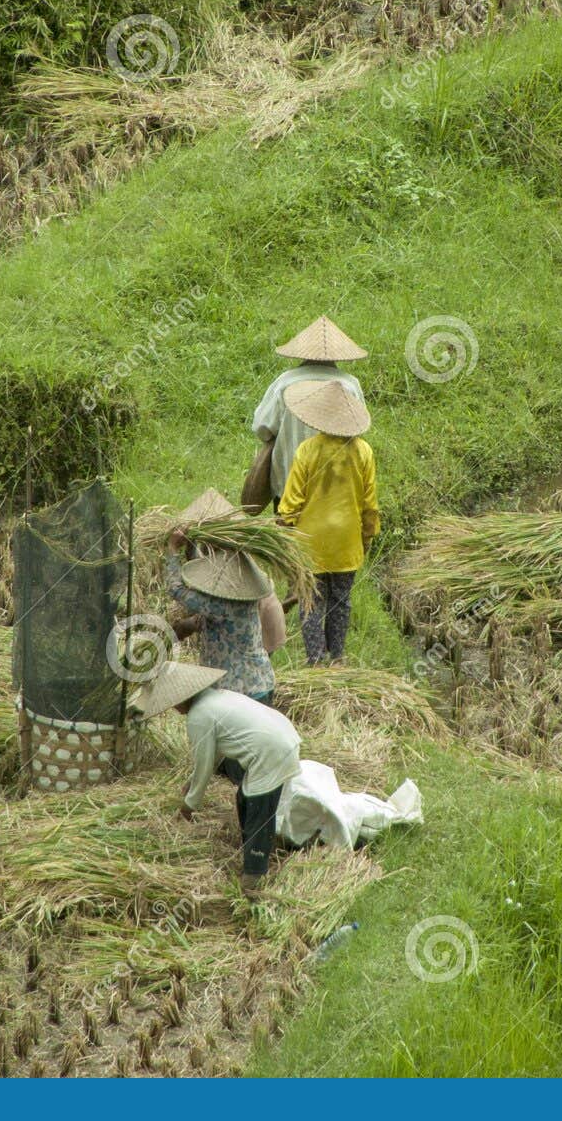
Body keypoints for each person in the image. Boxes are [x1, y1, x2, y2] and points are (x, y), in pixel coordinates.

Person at [130, 661, 302, 892]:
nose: (173, 709)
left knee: (258, 811)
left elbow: (204, 766)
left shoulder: (199, 716)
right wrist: (191, 784)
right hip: (284, 738)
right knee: (245, 798)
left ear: (182, 698)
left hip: (271, 753)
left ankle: (254, 876)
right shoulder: (218, 697)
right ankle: (254, 850)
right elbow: (216, 752)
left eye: (172, 704)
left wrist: (188, 806)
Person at [277, 379, 379, 667]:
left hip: (311, 542)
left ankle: (315, 659)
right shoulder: (363, 451)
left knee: (311, 601)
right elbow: (370, 504)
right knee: (341, 601)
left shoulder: (308, 450)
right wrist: (367, 536)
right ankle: (337, 658)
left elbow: (292, 500)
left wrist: (284, 527)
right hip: (347, 541)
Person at [166, 489, 289, 705]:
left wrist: (172, 549)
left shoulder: (220, 602)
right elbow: (214, 621)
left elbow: (176, 589)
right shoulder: (244, 587)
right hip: (261, 684)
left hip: (240, 693)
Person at [251, 315, 367, 506]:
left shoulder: (285, 383)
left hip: (288, 484)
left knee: (289, 533)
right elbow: (359, 428)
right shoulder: (350, 385)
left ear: (303, 353)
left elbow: (262, 428)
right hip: (337, 487)